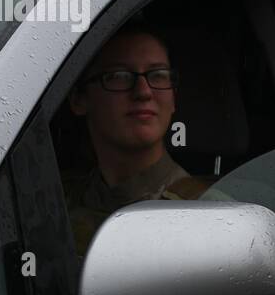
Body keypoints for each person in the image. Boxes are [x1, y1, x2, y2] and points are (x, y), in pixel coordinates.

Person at [63, 24, 208, 255]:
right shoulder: (53, 203)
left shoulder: (207, 216)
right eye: (119, 76)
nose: (143, 91)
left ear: (173, 99)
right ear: (79, 99)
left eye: (158, 75)